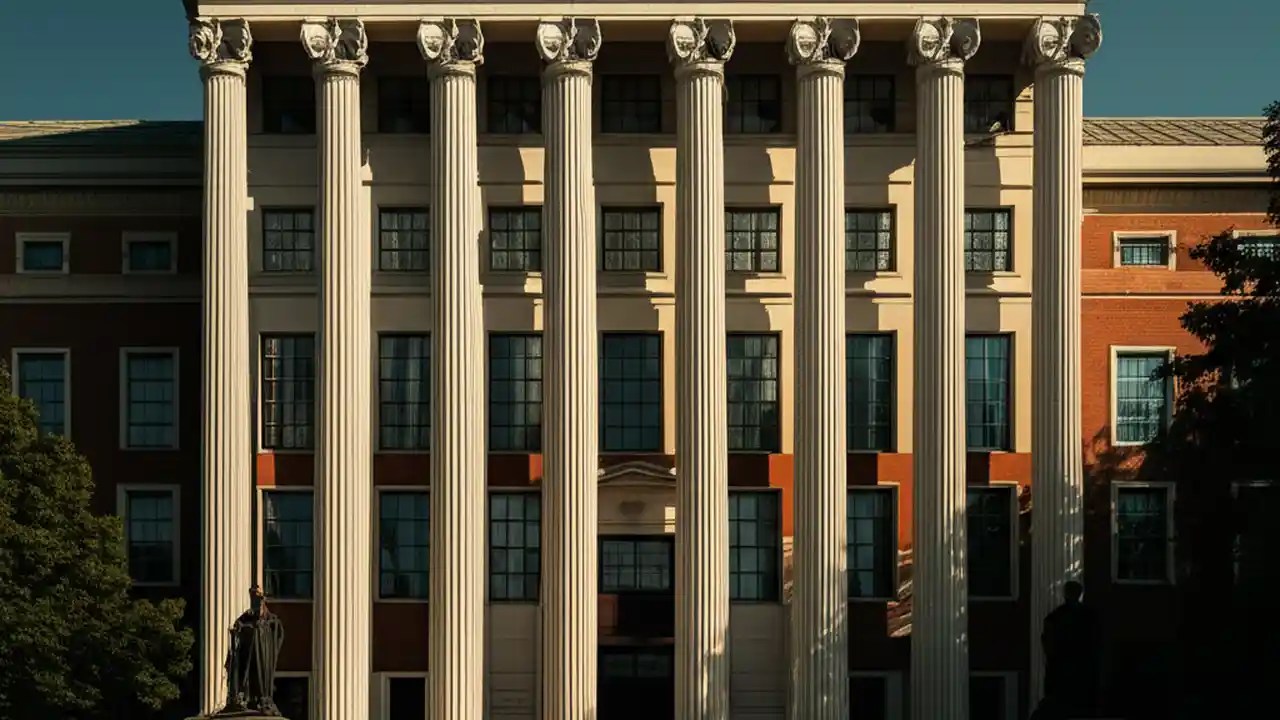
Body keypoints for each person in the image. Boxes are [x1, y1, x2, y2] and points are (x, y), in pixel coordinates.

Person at [1036, 581, 1101, 719]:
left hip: (1061, 675)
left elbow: (1048, 644)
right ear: (1079, 594)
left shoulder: (1055, 617)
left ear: (1065, 594)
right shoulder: (1090, 617)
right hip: (1084, 676)